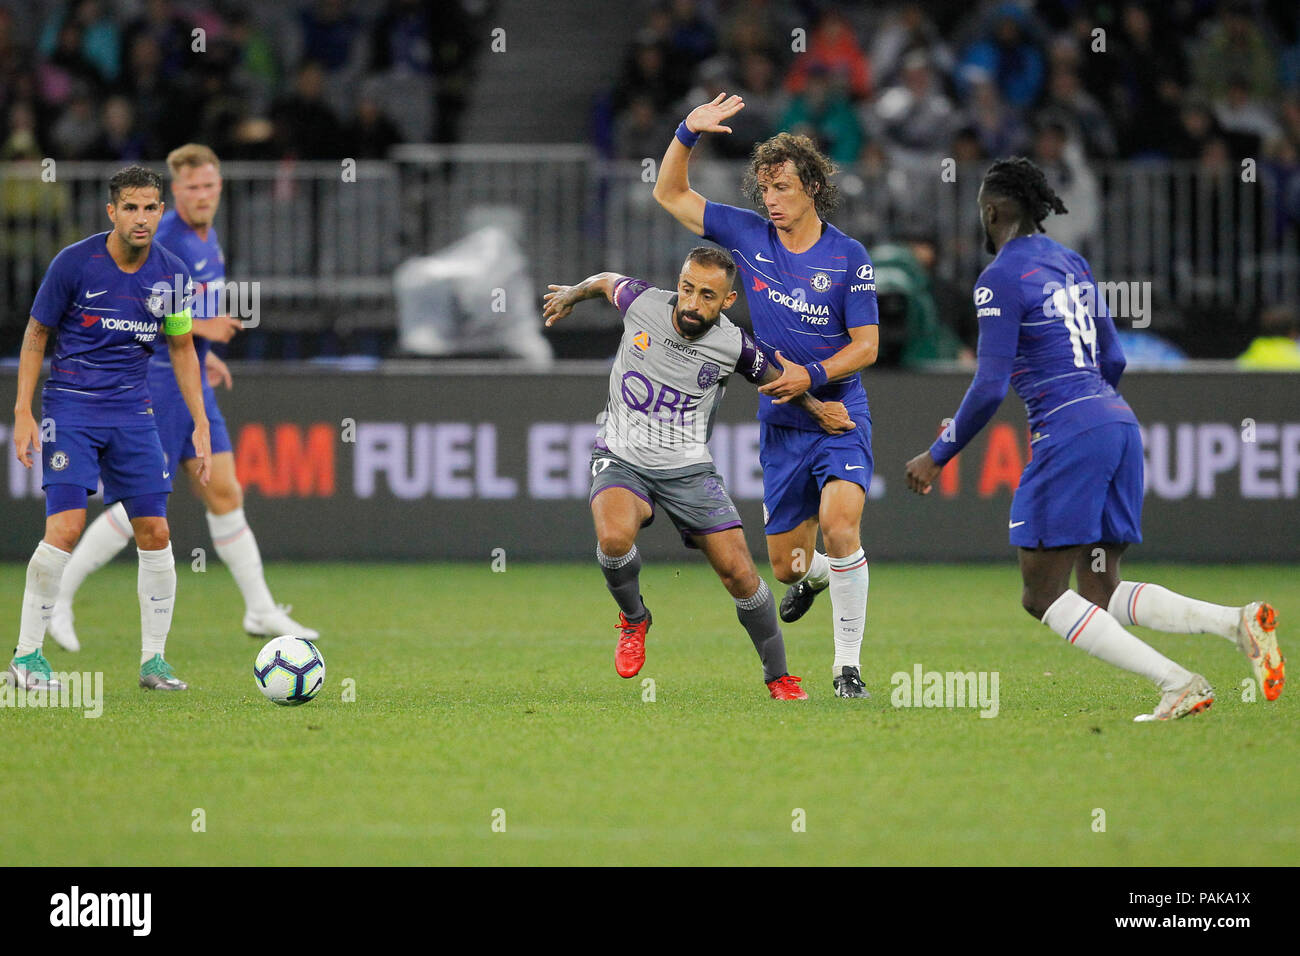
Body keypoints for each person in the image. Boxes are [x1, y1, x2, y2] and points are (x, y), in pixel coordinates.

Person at [903, 157, 1284, 720]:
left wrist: (937, 456)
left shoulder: (1001, 278)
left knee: (1042, 596)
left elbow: (988, 386)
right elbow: (1114, 356)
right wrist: (1096, 413)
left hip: (1070, 431)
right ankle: (1234, 623)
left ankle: (1178, 682)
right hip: (1117, 421)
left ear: (992, 209)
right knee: (1100, 588)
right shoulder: (1071, 263)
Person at [542, 247, 856, 699]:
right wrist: (575, 293)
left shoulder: (734, 345)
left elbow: (776, 379)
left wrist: (817, 408)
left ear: (727, 301)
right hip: (622, 457)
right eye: (687, 288)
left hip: (688, 468)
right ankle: (634, 619)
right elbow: (607, 279)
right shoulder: (642, 302)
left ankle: (780, 677)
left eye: (708, 296)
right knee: (613, 538)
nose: (692, 303)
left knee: (742, 577)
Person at [653, 94, 880, 698]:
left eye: (781, 187)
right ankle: (821, 577)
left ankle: (847, 669)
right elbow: (670, 194)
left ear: (810, 185)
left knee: (841, 523)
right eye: (764, 188)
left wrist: (812, 374)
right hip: (781, 422)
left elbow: (867, 346)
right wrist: (686, 132)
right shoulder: (750, 236)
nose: (770, 199)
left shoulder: (847, 256)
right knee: (788, 567)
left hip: (838, 414)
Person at [50, 144, 317, 653]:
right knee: (138, 507)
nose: (201, 195)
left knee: (224, 491)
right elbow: (140, 308)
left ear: (219, 188)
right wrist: (203, 328)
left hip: (187, 375)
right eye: (192, 187)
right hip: (156, 383)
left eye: (209, 186)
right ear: (176, 192)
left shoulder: (208, 239)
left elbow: (177, 318)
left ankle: (260, 609)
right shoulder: (164, 238)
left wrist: (203, 350)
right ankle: (59, 598)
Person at [8, 164, 207, 692]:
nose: (141, 218)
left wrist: (201, 420)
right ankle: (26, 657)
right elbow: (35, 336)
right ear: (112, 211)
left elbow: (182, 347)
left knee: (157, 532)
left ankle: (154, 663)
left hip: (133, 413)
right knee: (66, 528)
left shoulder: (173, 275)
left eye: (150, 208)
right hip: (71, 408)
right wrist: (23, 412)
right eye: (131, 208)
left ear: (161, 212)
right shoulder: (75, 264)